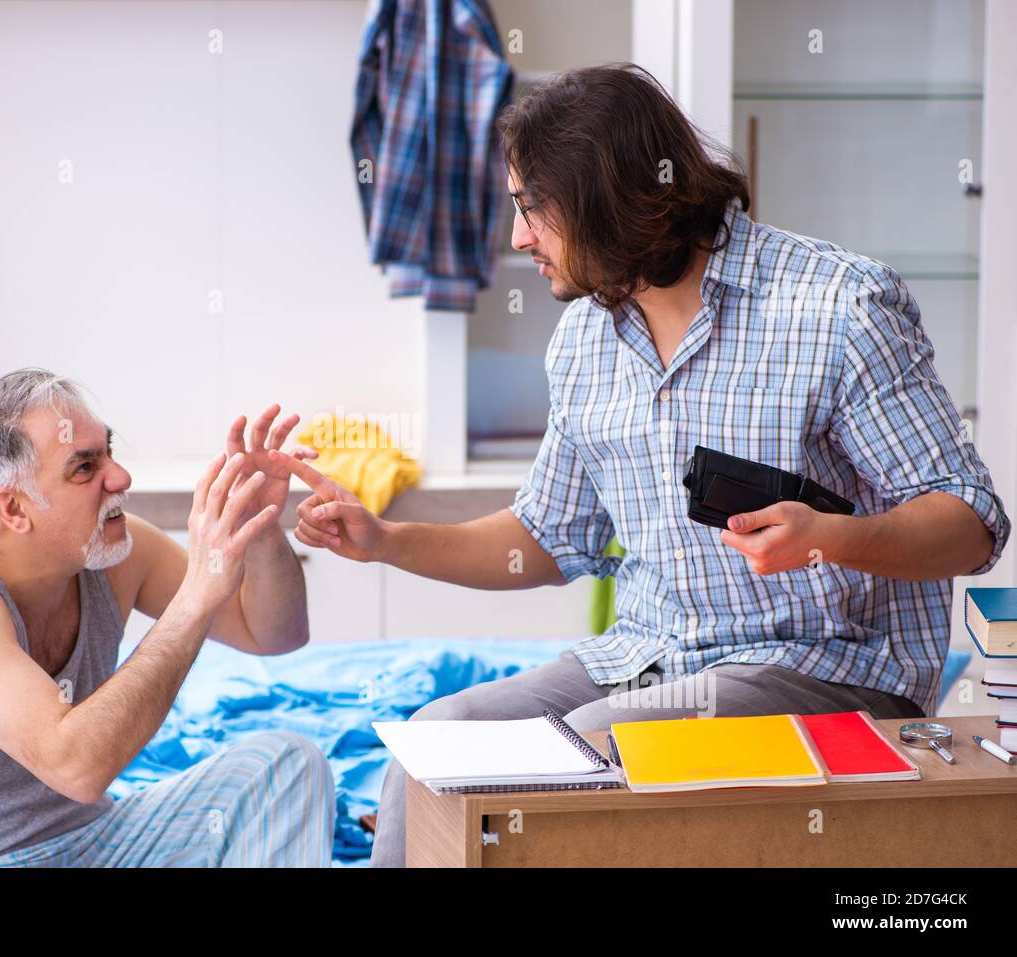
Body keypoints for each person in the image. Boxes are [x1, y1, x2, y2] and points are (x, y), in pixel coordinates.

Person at [273, 63, 1011, 867]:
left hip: (830, 670)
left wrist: (827, 537)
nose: (518, 237)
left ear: (607, 197)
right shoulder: (586, 339)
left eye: (531, 209)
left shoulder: (839, 306)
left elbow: (972, 524)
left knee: (584, 752)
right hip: (647, 658)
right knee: (437, 738)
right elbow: (546, 538)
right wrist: (384, 538)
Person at [0, 368, 335, 867]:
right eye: (84, 468)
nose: (120, 478)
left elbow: (274, 634)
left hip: (87, 842)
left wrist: (260, 528)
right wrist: (195, 598)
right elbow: (77, 770)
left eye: (109, 452)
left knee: (288, 765)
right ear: (14, 508)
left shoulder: (115, 552)